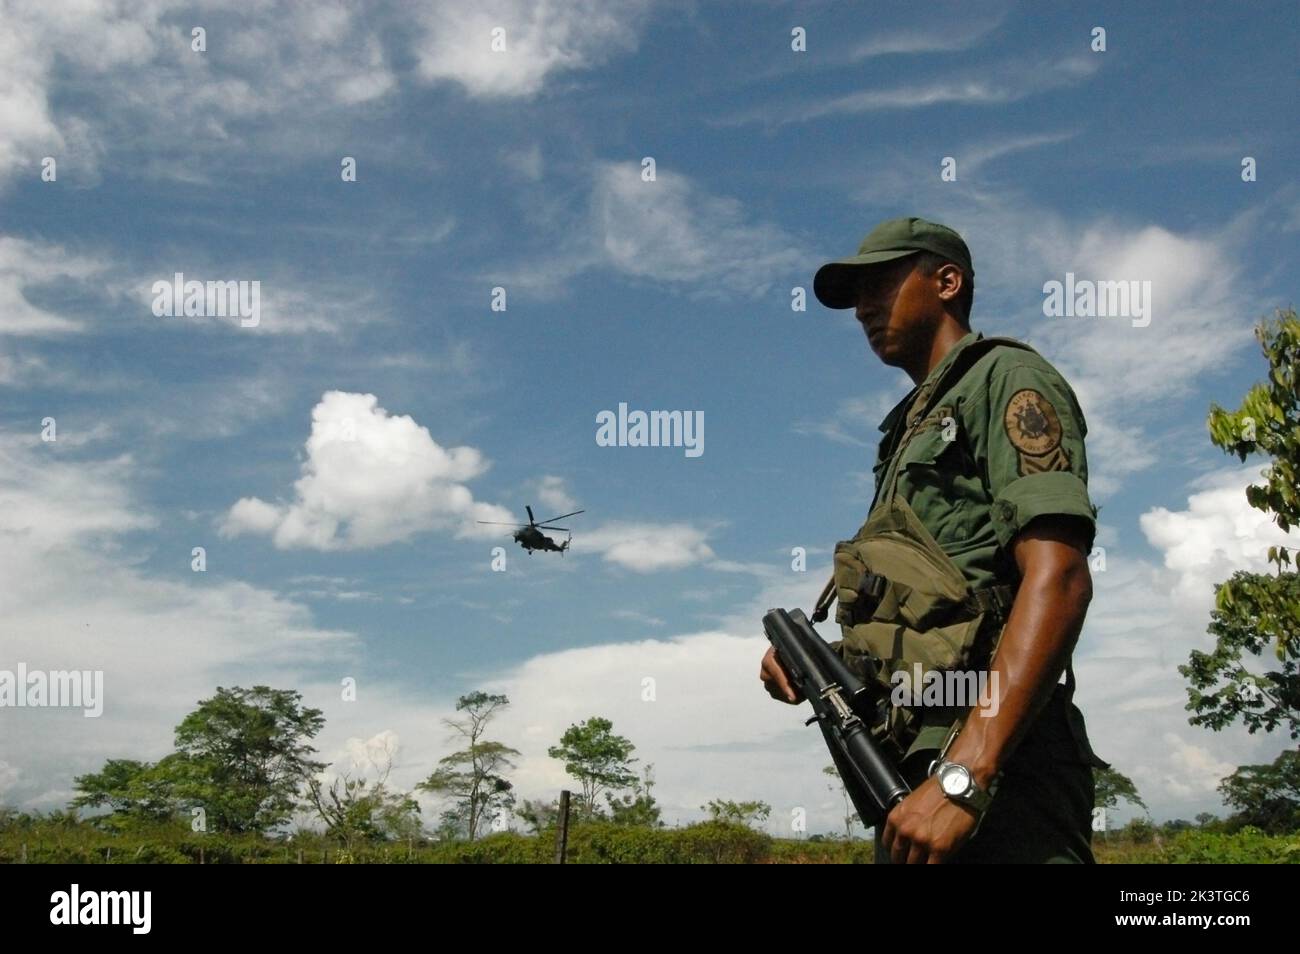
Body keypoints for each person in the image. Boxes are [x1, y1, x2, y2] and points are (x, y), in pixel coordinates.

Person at [760, 216, 1108, 864]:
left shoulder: (1003, 378)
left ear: (946, 281)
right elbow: (937, 611)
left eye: (881, 284)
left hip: (1000, 767)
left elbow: (1059, 576)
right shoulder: (905, 433)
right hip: (909, 773)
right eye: (855, 296)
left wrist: (966, 777)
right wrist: (823, 665)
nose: (863, 308)